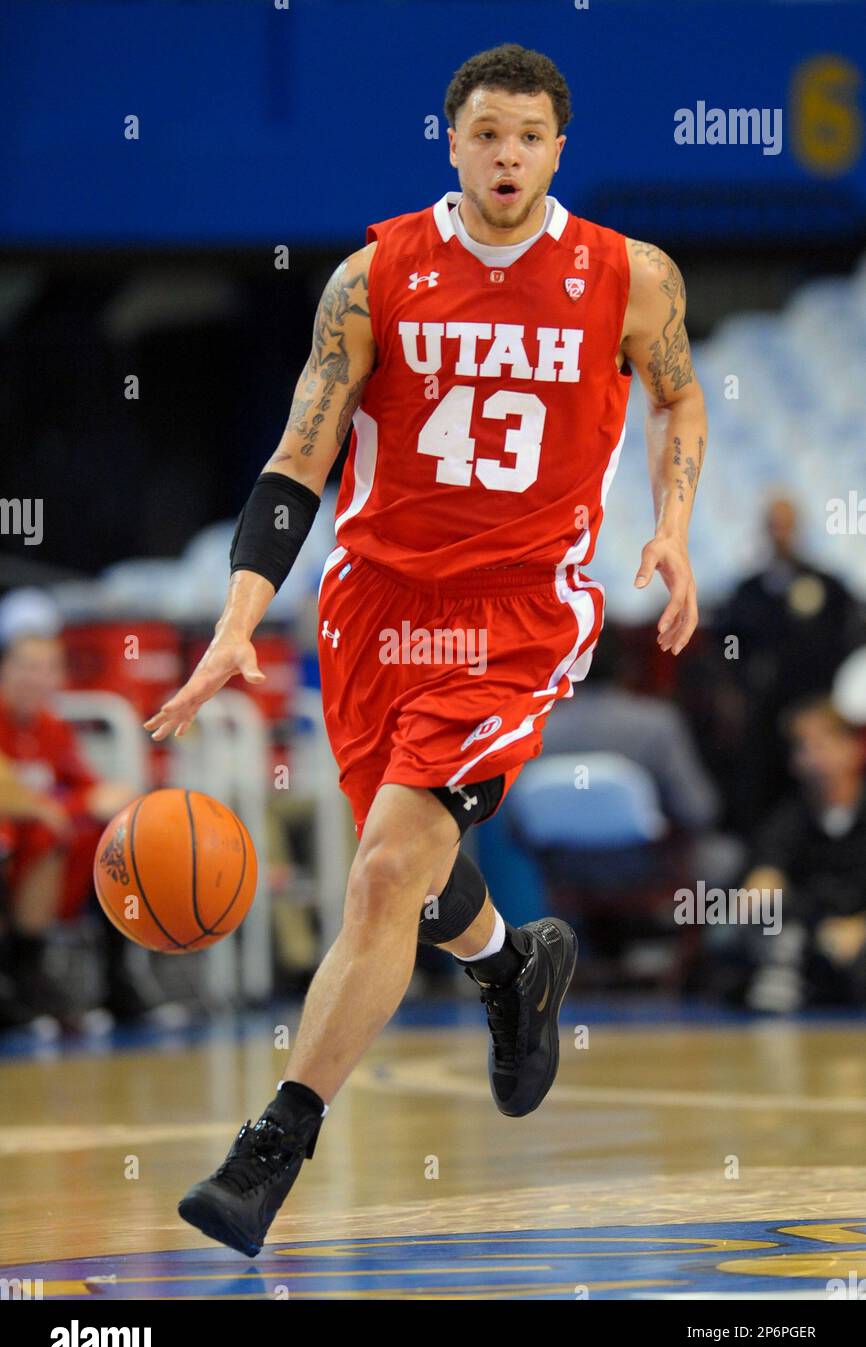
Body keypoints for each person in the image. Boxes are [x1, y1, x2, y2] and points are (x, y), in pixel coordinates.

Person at [145, 43, 706, 1257]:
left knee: (382, 876)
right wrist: (238, 622)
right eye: (486, 133)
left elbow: (675, 396)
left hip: (513, 618)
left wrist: (667, 525)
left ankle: (269, 1153)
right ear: (448, 141)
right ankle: (512, 970)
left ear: (560, 149)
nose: (506, 154)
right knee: (411, 880)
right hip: (373, 611)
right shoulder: (368, 278)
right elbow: (299, 461)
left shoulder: (628, 277)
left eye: (529, 136)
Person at [0, 631, 134, 1028]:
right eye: (28, 666)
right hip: (16, 852)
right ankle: (19, 972)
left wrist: (114, 800)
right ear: (5, 669)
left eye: (47, 668)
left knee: (120, 837)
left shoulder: (51, 728)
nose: (37, 678)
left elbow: (90, 791)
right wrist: (57, 807)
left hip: (44, 858)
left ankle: (119, 981)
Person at [716, 495, 861, 832]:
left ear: (798, 529)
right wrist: (737, 683)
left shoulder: (828, 587)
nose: (781, 533)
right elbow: (727, 644)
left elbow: (851, 640)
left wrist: (836, 701)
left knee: (817, 785)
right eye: (774, 525)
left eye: (787, 525)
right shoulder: (748, 593)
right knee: (762, 789)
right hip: (763, 715)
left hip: (818, 711)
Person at [735, 697, 866, 1013]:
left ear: (854, 749)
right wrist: (758, 893)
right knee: (737, 930)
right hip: (811, 931)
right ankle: (782, 971)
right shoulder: (789, 816)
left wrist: (859, 927)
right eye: (803, 748)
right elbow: (767, 866)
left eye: (822, 744)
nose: (813, 758)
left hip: (857, 933)